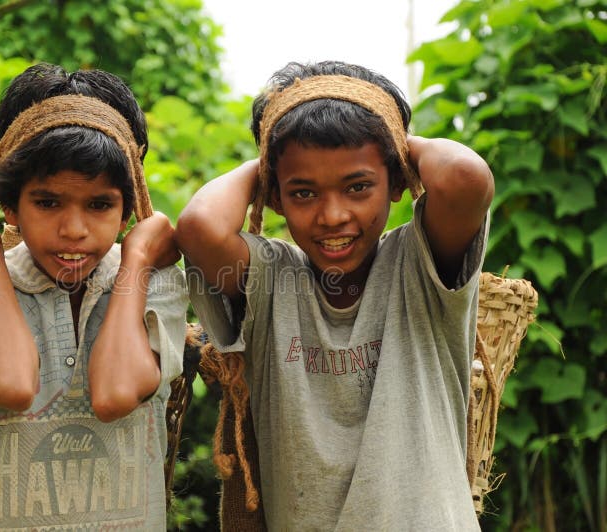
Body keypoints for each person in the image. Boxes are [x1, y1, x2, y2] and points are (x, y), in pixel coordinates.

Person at [176, 60, 494, 530]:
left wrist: (393, 141)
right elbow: (199, 226)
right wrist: (268, 157)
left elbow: (466, 177)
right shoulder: (273, 282)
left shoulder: (417, 266)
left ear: (399, 182)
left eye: (358, 186)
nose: (332, 215)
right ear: (274, 196)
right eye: (303, 193)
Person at [0, 63, 188, 530]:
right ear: (10, 206)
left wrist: (138, 258)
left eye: (100, 205)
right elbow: (11, 385)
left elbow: (114, 394)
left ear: (127, 206)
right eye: (47, 203)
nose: (74, 230)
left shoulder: (152, 278)